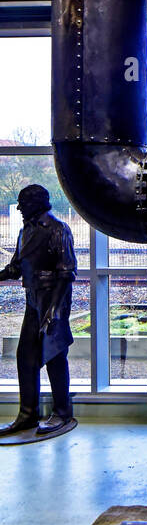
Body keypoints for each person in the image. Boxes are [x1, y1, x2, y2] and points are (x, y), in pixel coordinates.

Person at [0, 184, 77, 439]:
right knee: (26, 357)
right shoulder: (26, 230)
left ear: (38, 203)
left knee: (55, 356)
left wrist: (54, 310)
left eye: (24, 202)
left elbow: (67, 274)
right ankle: (27, 413)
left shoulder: (57, 229)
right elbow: (16, 267)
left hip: (53, 300)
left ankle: (63, 412)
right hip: (33, 300)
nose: (20, 208)